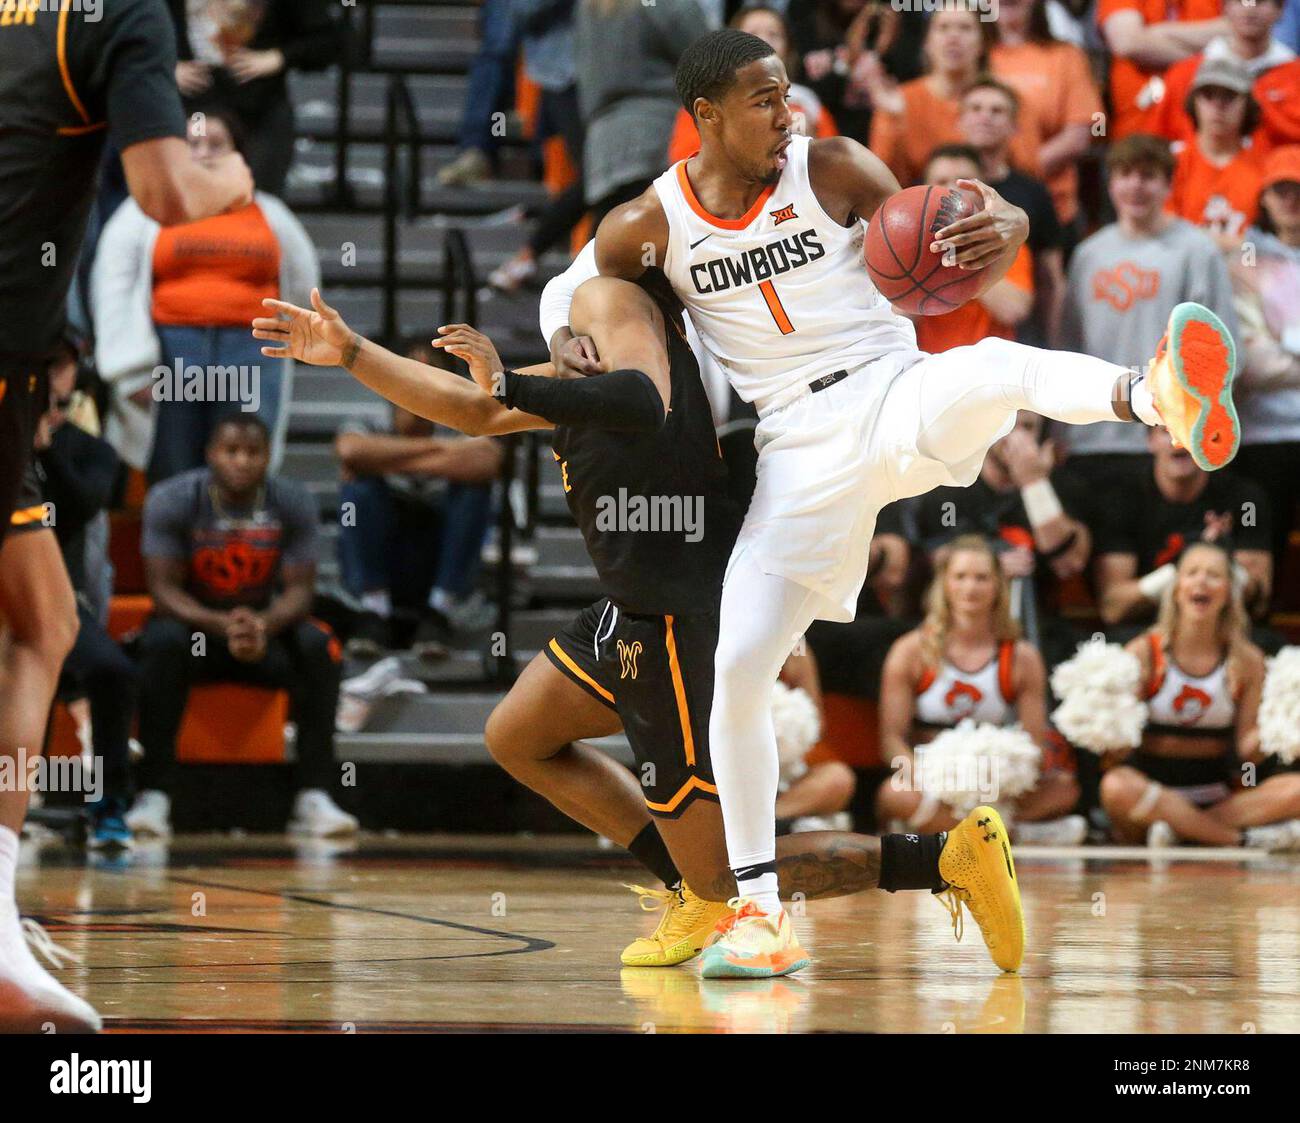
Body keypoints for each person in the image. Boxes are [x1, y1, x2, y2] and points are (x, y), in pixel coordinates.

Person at [544, 27, 1239, 977]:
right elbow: (572, 289)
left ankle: (1154, 392)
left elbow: (962, 212)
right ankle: (758, 918)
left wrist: (1014, 223)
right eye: (761, 99)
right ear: (704, 116)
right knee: (738, 667)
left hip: (887, 388)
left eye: (786, 90)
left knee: (992, 366)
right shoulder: (647, 225)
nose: (785, 112)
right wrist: (571, 340)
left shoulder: (831, 166)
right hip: (792, 451)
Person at [253, 281, 1025, 979]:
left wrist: (519, 375)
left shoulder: (653, 385)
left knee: (732, 878)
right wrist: (351, 350)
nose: (585, 324)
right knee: (517, 735)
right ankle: (688, 889)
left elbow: (628, 398)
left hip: (676, 627)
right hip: (625, 612)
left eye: (601, 312)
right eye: (576, 318)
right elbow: (473, 410)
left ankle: (949, 858)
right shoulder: (579, 381)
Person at [0, 0, 251, 1034]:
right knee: (35, 626)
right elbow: (162, 190)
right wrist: (234, 178)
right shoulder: (121, 14)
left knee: (47, 622)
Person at [130, 415, 358, 841]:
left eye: (253, 452)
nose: (242, 461)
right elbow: (163, 591)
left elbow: (300, 592)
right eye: (231, 451)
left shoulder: (291, 500)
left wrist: (262, 625)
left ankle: (314, 795)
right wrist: (221, 624)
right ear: (210, 454)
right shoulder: (173, 498)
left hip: (263, 634)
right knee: (160, 642)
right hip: (195, 632)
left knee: (318, 645)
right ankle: (154, 794)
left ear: (268, 457)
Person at [92, 108, 318, 480]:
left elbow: (303, 283)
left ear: (238, 155)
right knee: (174, 469)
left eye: (217, 144)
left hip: (253, 351)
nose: (205, 152)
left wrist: (302, 337)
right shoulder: (145, 209)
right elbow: (112, 286)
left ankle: (239, 539)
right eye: (193, 144)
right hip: (174, 352)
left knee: (243, 469)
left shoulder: (270, 213)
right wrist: (128, 370)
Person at [1055, 133, 1238, 489]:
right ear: (1110, 184)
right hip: (1094, 437)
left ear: (1168, 185)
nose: (1135, 186)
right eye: (1125, 174)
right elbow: (1067, 345)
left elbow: (1224, 349)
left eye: (1148, 176)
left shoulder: (1197, 251)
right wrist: (1061, 427)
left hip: (1171, 435)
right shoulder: (1088, 254)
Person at [877, 536, 1085, 844]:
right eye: (960, 577)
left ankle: (942, 830)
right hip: (932, 781)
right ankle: (1013, 833)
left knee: (1065, 787)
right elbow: (891, 739)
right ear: (944, 584)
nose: (970, 587)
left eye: (982, 578)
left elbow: (1034, 744)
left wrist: (1004, 776)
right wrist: (928, 778)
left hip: (993, 783)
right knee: (893, 793)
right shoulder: (910, 650)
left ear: (998, 586)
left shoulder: (1021, 656)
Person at [1100, 541, 1300, 848]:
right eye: (1192, 573)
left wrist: (1286, 727)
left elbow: (1249, 752)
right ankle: (1238, 840)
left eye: (1214, 575)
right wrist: (1106, 733)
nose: (1201, 581)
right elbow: (1120, 754)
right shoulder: (1144, 653)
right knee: (1115, 785)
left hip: (1217, 798)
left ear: (1229, 593)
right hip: (1151, 794)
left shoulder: (1247, 660)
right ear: (1176, 587)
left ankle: (1183, 831)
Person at [336, 340, 501, 661]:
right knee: (359, 489)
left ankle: (439, 611)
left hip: (437, 556)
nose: (418, 380)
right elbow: (351, 452)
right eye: (409, 370)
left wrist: (386, 457)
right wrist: (446, 455)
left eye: (430, 372)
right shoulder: (371, 417)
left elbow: (487, 461)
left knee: (475, 489)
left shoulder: (464, 420)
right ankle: (374, 610)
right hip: (383, 553)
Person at [33, 339, 135, 852]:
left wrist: (44, 449)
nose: (52, 377)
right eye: (43, 364)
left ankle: (110, 804)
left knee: (111, 669)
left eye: (61, 365)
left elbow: (81, 507)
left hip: (58, 602)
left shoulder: (91, 449)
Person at [911, 411, 1094, 670]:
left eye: (1028, 427)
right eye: (1007, 424)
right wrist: (990, 568)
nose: (1016, 437)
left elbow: (1068, 561)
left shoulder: (1061, 487)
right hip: (956, 628)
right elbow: (929, 560)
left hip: (1040, 627)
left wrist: (1033, 483)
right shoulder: (950, 488)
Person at [1092, 427, 1273, 629]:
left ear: (1210, 439)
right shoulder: (1122, 500)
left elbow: (1258, 599)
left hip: (1222, 633)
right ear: (1150, 441)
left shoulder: (1245, 500)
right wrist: (1190, 560)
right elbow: (1114, 608)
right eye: (1166, 431)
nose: (1178, 440)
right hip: (1148, 632)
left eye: (1191, 429)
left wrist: (1220, 555)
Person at [166, 0, 342, 196]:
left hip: (258, 111)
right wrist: (166, 66)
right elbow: (138, 37)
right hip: (197, 110)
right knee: (194, 190)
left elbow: (330, 39)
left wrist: (279, 57)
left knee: (258, 196)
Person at [575, 0, 714, 228]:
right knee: (655, 249)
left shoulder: (587, 6)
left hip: (602, 143)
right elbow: (712, 59)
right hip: (658, 136)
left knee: (609, 250)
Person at [1228, 145, 1300, 577]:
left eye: (1299, 190)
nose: (1292, 200)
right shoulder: (1244, 262)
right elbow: (1251, 361)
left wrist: (1285, 339)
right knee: (1259, 549)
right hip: (1261, 434)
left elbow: (1269, 354)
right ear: (1265, 198)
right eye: (1282, 190)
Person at [867, 4, 1028, 189]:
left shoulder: (1004, 100)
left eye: (965, 28)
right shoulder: (898, 102)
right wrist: (891, 121)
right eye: (943, 28)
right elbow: (880, 183)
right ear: (927, 43)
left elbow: (1027, 170)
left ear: (984, 42)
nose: (953, 37)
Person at [957, 79, 1067, 344]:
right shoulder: (934, 183)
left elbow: (1050, 278)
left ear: (1015, 126)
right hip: (941, 332)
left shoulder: (1033, 192)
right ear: (958, 122)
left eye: (997, 111)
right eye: (975, 108)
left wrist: (1053, 345)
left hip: (1012, 330)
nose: (985, 116)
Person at [666, 5, 838, 166]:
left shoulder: (809, 106)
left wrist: (808, 141)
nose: (763, 42)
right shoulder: (707, 104)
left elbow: (832, 167)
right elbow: (686, 164)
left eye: (774, 34)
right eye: (751, 34)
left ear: (788, 48)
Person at [988, 0, 1102, 233]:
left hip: (1052, 206)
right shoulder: (977, 53)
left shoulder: (1066, 55)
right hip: (982, 207)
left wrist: (1014, 178)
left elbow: (1079, 135)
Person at [913, 145, 1034, 354]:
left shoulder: (1005, 240)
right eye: (941, 181)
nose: (952, 190)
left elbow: (1014, 311)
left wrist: (964, 255)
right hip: (928, 367)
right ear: (925, 190)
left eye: (963, 182)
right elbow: (898, 315)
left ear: (984, 190)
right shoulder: (907, 244)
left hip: (992, 368)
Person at [1151, 0, 1300, 152]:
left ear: (1280, 9)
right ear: (1225, 7)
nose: (1250, 9)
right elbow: (1156, 146)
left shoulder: (1295, 75)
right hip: (1200, 172)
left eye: (1260, 2)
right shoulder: (1186, 74)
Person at [1165, 57, 1265, 248]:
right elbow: (1163, 238)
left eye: (1229, 96)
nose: (1218, 106)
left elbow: (1269, 246)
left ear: (1248, 105)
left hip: (1248, 270)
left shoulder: (1266, 167)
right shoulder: (1170, 164)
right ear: (1193, 102)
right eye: (1208, 95)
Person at [1096, 0, 1228, 138]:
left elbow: (1235, 29)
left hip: (1204, 133)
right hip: (1139, 131)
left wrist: (1155, 34)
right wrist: (1212, 50)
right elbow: (1127, 43)